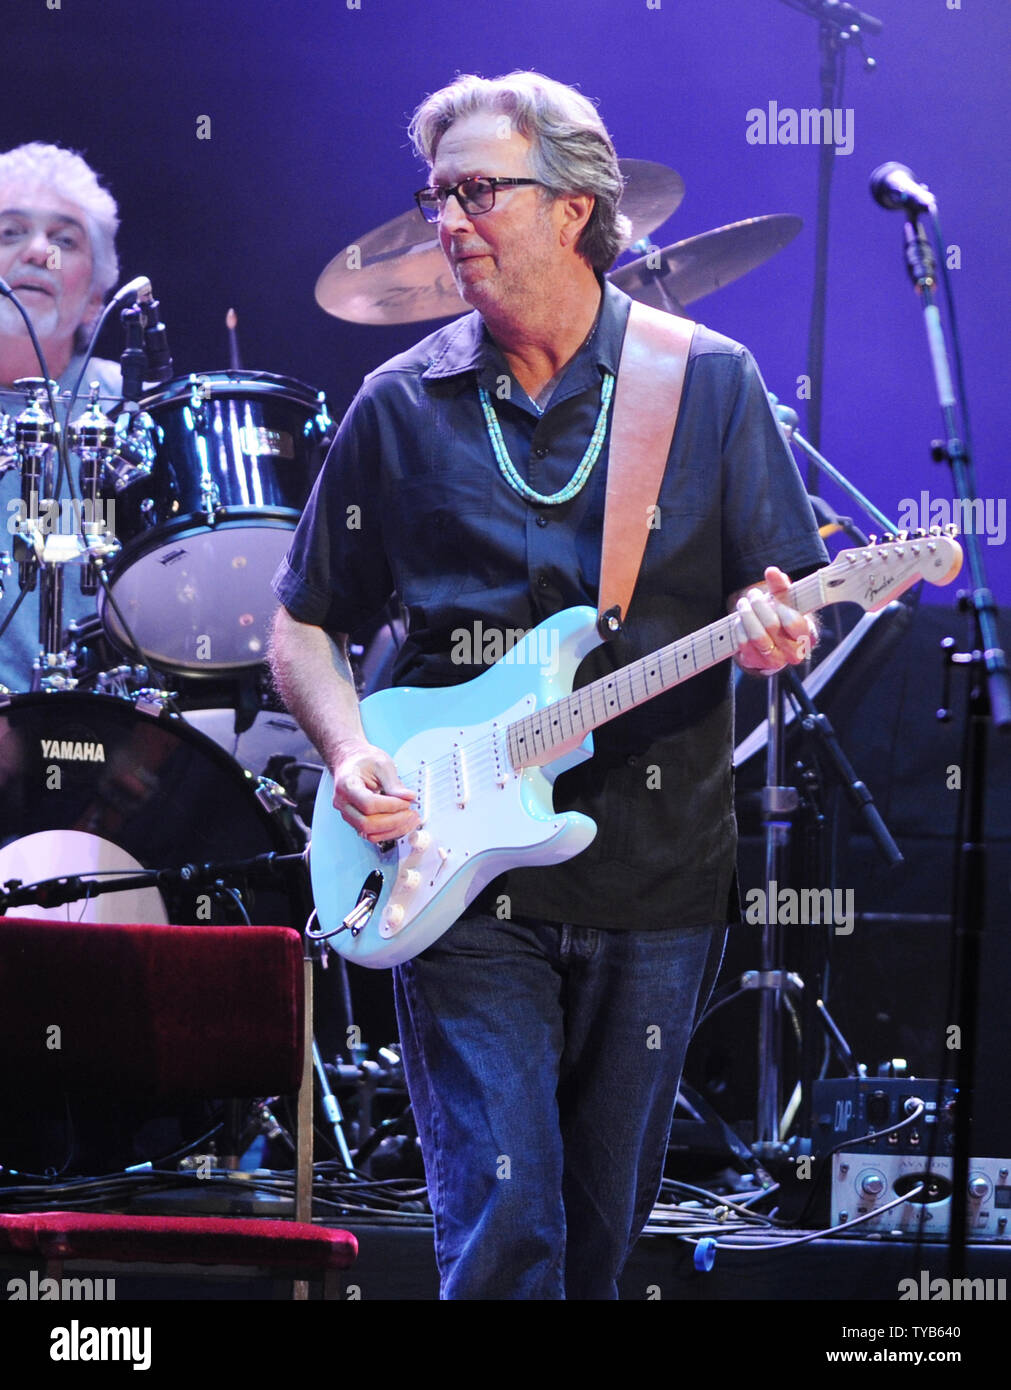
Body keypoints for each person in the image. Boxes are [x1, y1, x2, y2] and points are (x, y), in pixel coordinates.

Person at [270, 71, 827, 1300]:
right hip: (451, 876)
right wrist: (349, 749)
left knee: (600, 1234)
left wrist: (765, 629)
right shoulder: (399, 404)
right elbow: (302, 626)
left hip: (654, 865)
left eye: (478, 192)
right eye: (437, 195)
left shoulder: (710, 382)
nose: (447, 223)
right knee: (508, 1219)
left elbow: (776, 590)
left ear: (575, 207)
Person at [0, 142, 123, 691]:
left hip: (106, 739)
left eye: (65, 240)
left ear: (97, 298)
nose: (38, 252)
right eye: (10, 232)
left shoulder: (133, 409)